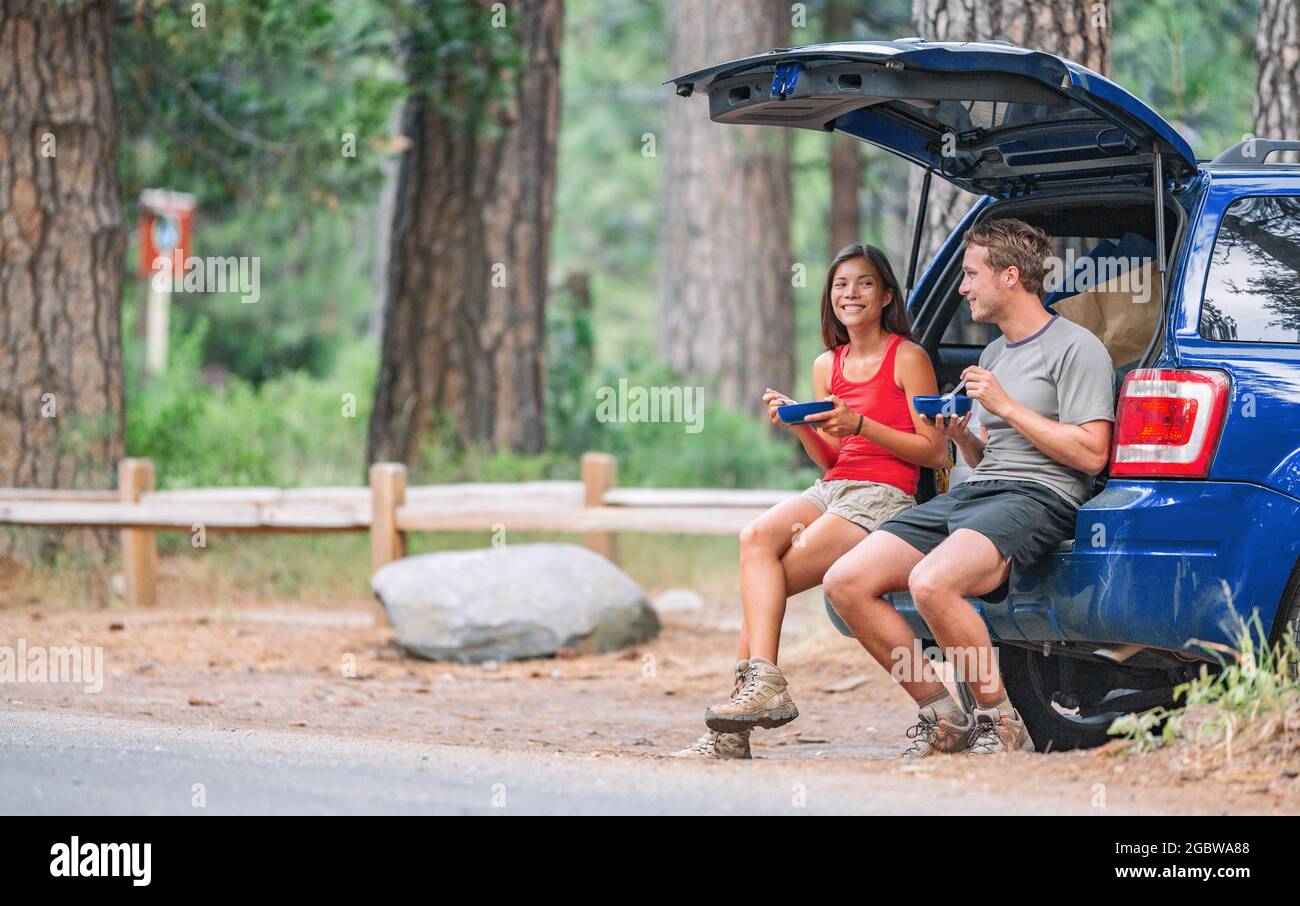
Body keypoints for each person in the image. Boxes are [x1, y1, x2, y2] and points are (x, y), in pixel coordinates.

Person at [823, 218, 1116, 757]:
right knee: (845, 581)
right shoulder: (994, 354)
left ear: (1010, 276)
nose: (962, 288)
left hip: (1040, 494)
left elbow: (1092, 453)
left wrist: (1006, 405)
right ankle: (943, 717)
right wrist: (963, 437)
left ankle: (1000, 724)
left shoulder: (1078, 348)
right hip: (981, 489)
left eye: (971, 274)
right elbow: (990, 456)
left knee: (932, 583)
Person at [671, 244, 946, 759]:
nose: (851, 294)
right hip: (834, 487)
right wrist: (800, 425)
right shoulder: (827, 364)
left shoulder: (908, 357)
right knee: (755, 539)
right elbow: (833, 458)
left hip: (883, 494)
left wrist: (862, 423)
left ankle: (733, 730)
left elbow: (934, 452)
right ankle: (758, 693)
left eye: (865, 283)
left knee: (764, 591)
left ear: (887, 295)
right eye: (841, 285)